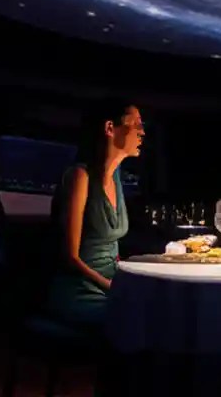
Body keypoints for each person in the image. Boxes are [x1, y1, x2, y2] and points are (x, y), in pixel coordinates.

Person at [46, 100, 145, 329]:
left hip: (110, 287)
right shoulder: (80, 177)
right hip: (80, 293)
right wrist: (114, 288)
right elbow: (70, 258)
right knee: (144, 320)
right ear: (110, 128)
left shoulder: (115, 178)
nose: (143, 131)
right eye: (137, 123)